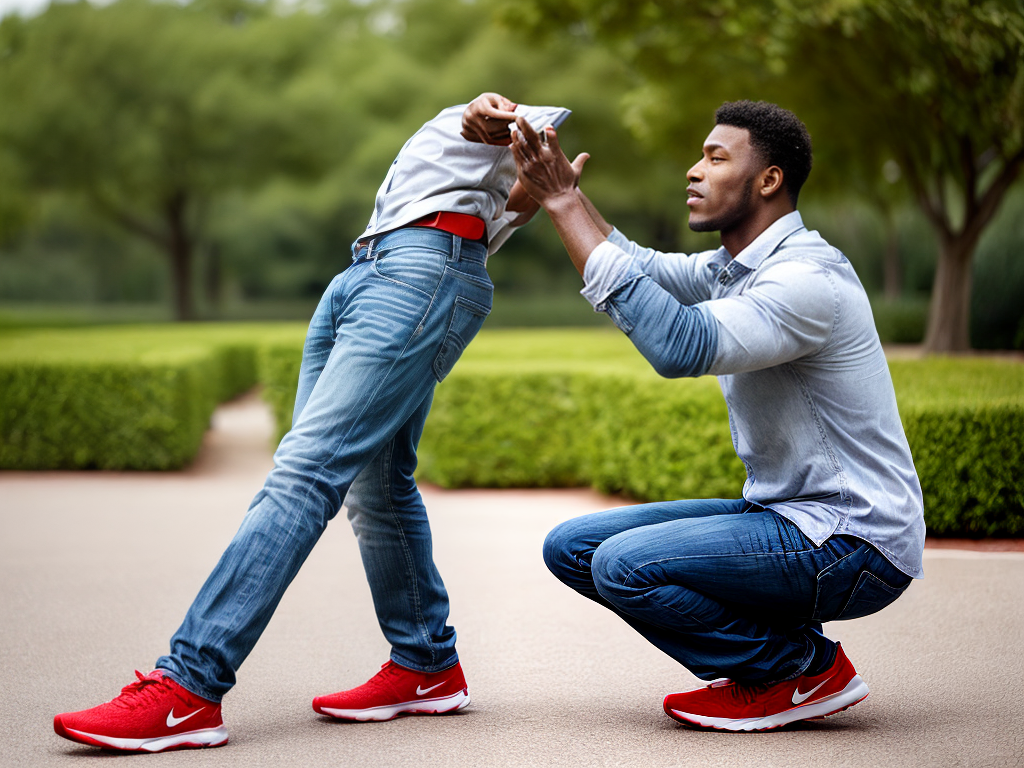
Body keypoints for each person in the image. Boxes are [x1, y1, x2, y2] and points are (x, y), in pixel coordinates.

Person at [53, 93, 573, 753]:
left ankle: (188, 687)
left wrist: (487, 120)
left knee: (303, 475)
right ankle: (426, 664)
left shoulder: (480, 118)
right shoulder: (457, 155)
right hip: (369, 269)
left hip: (417, 274)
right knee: (375, 486)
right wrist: (526, 189)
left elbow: (506, 119)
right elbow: (499, 195)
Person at [509, 100, 924, 732]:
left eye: (715, 157)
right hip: (786, 515)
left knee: (623, 566)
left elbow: (679, 346)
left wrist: (564, 203)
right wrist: (563, 193)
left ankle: (796, 670)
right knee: (573, 548)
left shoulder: (804, 280)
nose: (694, 170)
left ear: (769, 180)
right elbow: (640, 266)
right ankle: (785, 656)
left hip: (853, 540)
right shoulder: (734, 268)